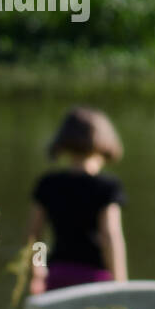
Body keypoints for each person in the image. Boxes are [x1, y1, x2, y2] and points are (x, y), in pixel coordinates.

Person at [27, 106, 127, 294]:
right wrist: (120, 284)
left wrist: (38, 273)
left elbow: (35, 235)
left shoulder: (48, 184)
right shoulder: (107, 187)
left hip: (57, 277)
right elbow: (110, 236)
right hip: (96, 280)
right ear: (105, 140)